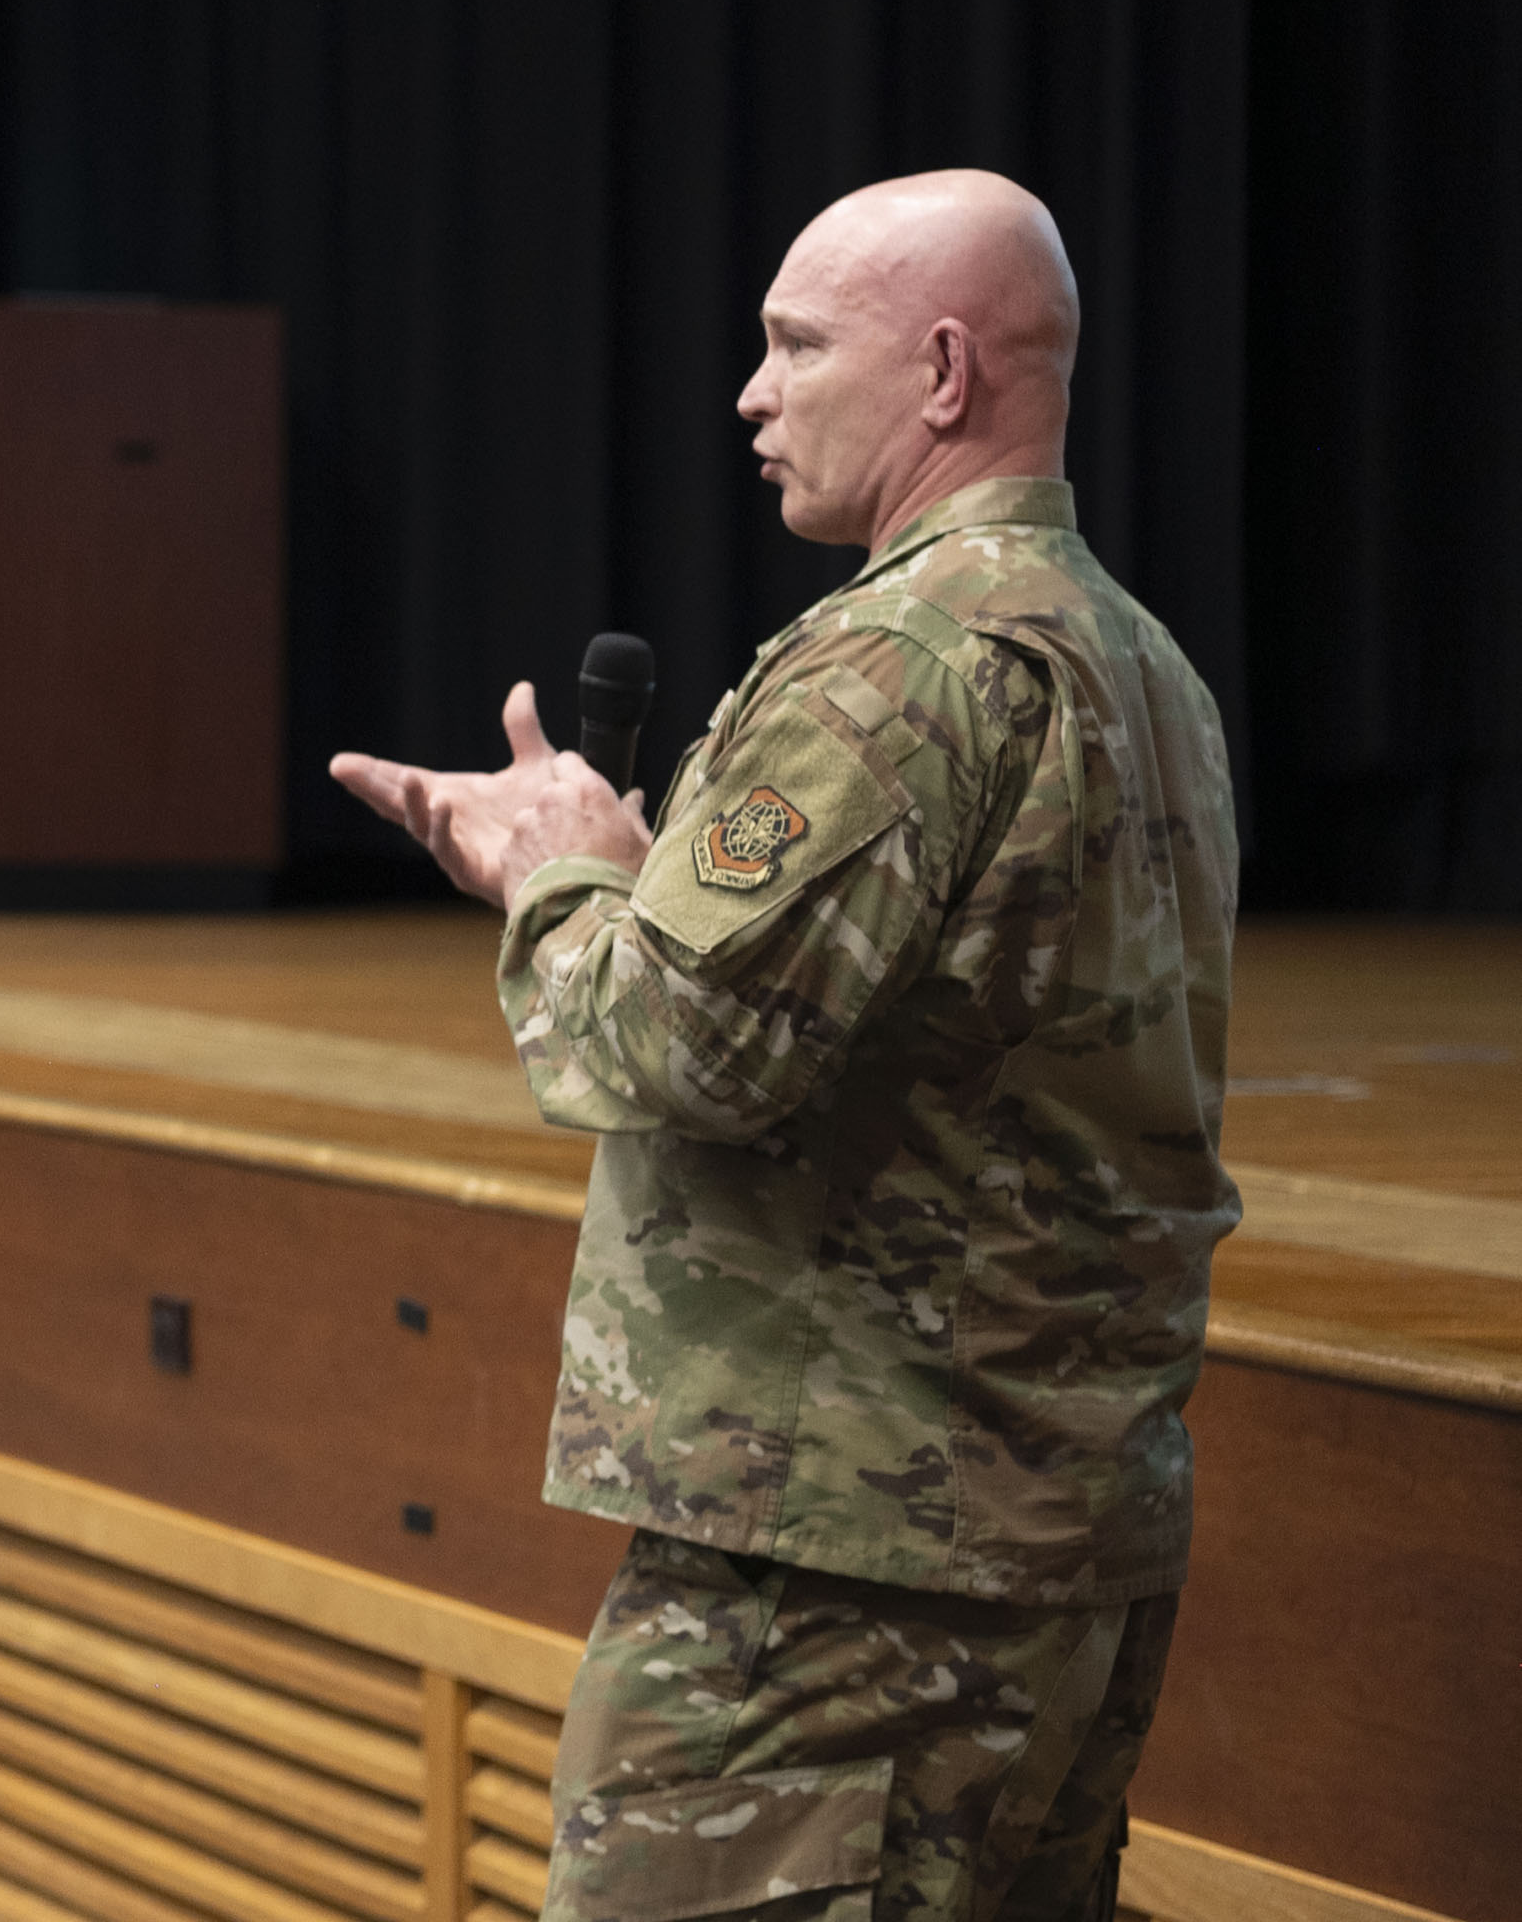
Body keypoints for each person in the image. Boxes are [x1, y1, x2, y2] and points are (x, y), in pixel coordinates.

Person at [332, 171, 1237, 1922]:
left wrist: (556, 877)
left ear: (944, 371)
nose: (752, 393)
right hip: (1063, 1543)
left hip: (834, 1589)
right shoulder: (1145, 667)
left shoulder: (891, 666)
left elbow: (664, 1045)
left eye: (794, 344)